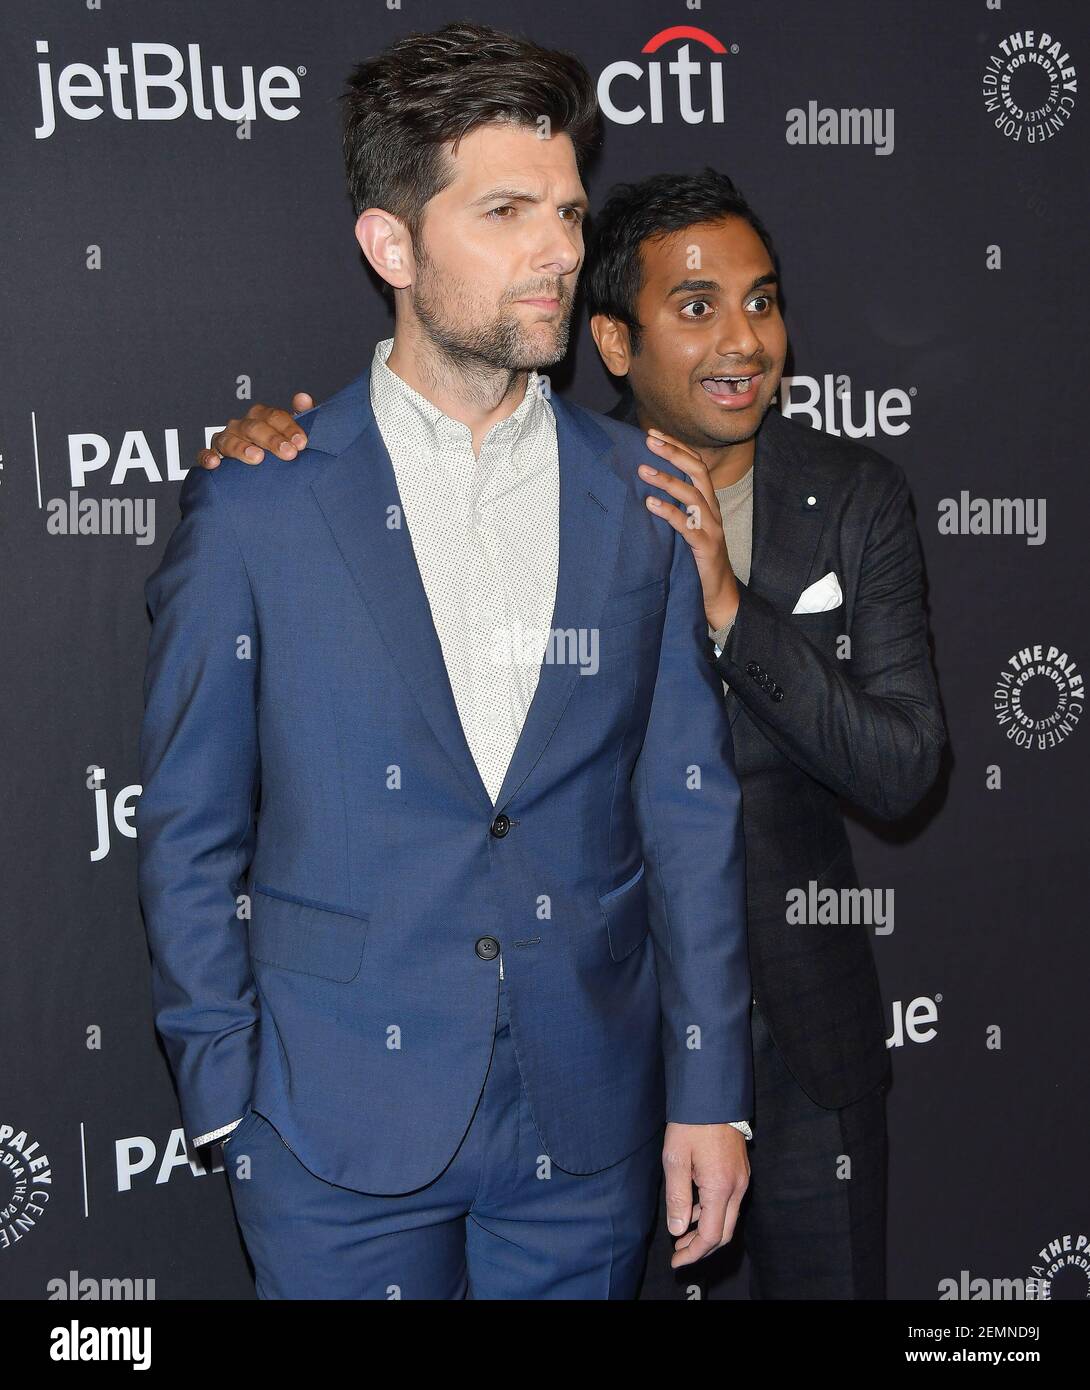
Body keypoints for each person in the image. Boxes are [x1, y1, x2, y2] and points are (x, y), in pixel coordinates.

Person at [210, 166, 946, 1299]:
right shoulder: (553, 493)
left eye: (762, 300)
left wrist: (727, 609)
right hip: (584, 1042)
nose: (742, 339)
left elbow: (900, 770)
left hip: (795, 1028)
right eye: (695, 308)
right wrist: (267, 453)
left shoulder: (854, 499)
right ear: (611, 341)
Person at [137, 24, 752, 1302]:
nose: (560, 254)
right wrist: (224, 1100)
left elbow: (683, 815)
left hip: (584, 1132)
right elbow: (189, 827)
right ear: (392, 245)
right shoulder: (264, 503)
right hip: (329, 1132)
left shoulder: (641, 494)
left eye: (570, 213)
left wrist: (708, 1093)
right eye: (507, 212)